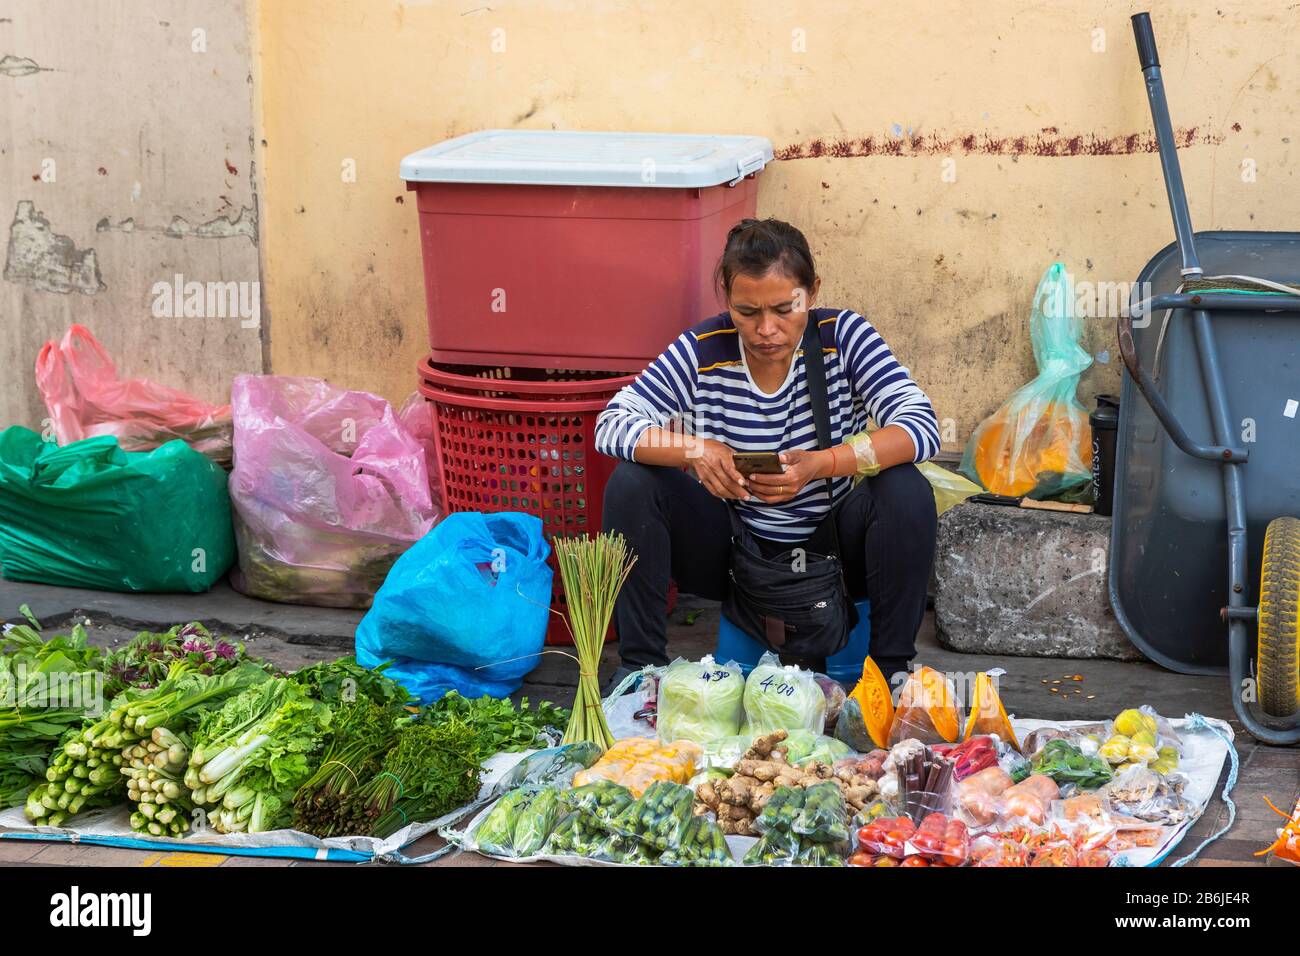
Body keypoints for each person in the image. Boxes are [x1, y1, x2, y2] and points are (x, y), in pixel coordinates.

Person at [595, 217, 940, 688]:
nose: (766, 330)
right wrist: (693, 450)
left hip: (834, 552)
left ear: (812, 292)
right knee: (633, 483)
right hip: (738, 554)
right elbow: (612, 425)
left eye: (784, 309)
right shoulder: (703, 350)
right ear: (728, 303)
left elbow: (920, 426)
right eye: (747, 312)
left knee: (905, 489)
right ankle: (641, 670)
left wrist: (824, 463)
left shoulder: (845, 338)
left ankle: (892, 672)